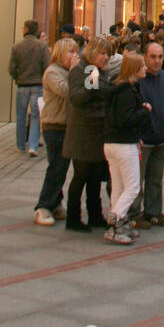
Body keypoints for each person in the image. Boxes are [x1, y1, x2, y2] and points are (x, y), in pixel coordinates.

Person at [63, 36, 115, 233]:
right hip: (83, 132)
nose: (105, 58)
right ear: (93, 52)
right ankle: (73, 217)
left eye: (107, 54)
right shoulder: (80, 70)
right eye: (102, 53)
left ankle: (95, 215)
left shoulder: (98, 70)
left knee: (95, 176)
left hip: (98, 131)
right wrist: (91, 86)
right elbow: (77, 98)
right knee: (81, 176)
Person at [103, 51, 151, 245]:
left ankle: (117, 227)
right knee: (132, 187)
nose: (145, 68)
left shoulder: (117, 88)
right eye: (142, 66)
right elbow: (126, 119)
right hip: (124, 144)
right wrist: (144, 111)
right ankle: (115, 216)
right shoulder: (127, 92)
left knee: (118, 186)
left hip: (111, 143)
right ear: (134, 69)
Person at [131, 41, 164, 229]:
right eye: (153, 57)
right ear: (145, 57)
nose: (157, 61)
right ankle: (134, 213)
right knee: (137, 180)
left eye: (160, 57)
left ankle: (153, 211)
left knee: (155, 179)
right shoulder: (138, 80)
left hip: (160, 138)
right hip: (143, 140)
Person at [34, 37, 80, 225]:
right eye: (71, 52)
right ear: (61, 53)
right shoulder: (52, 72)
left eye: (76, 51)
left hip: (69, 125)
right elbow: (67, 90)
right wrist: (75, 71)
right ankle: (43, 206)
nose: (75, 55)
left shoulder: (72, 71)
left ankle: (55, 203)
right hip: (54, 125)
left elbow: (90, 89)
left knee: (61, 167)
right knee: (57, 167)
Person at [9, 19, 49, 156]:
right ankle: (33, 146)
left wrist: (17, 78)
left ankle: (20, 145)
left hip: (22, 84)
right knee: (35, 116)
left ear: (25, 29)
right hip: (37, 85)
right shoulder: (42, 46)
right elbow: (46, 66)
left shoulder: (17, 46)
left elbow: (11, 68)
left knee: (20, 116)